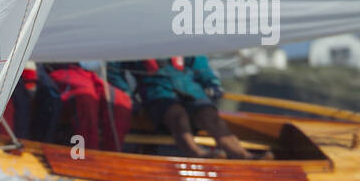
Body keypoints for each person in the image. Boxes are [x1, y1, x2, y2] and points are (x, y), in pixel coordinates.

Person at [108, 56, 257, 159]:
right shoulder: (135, 40)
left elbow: (201, 66)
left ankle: (242, 155)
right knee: (177, 116)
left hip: (190, 90)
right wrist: (127, 95)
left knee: (210, 116)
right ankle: (196, 153)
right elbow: (114, 71)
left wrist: (212, 83)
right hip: (157, 93)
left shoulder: (179, 36)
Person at [42, 63, 132, 151]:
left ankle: (111, 156)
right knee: (86, 98)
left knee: (120, 100)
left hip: (89, 73)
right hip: (62, 68)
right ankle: (87, 155)